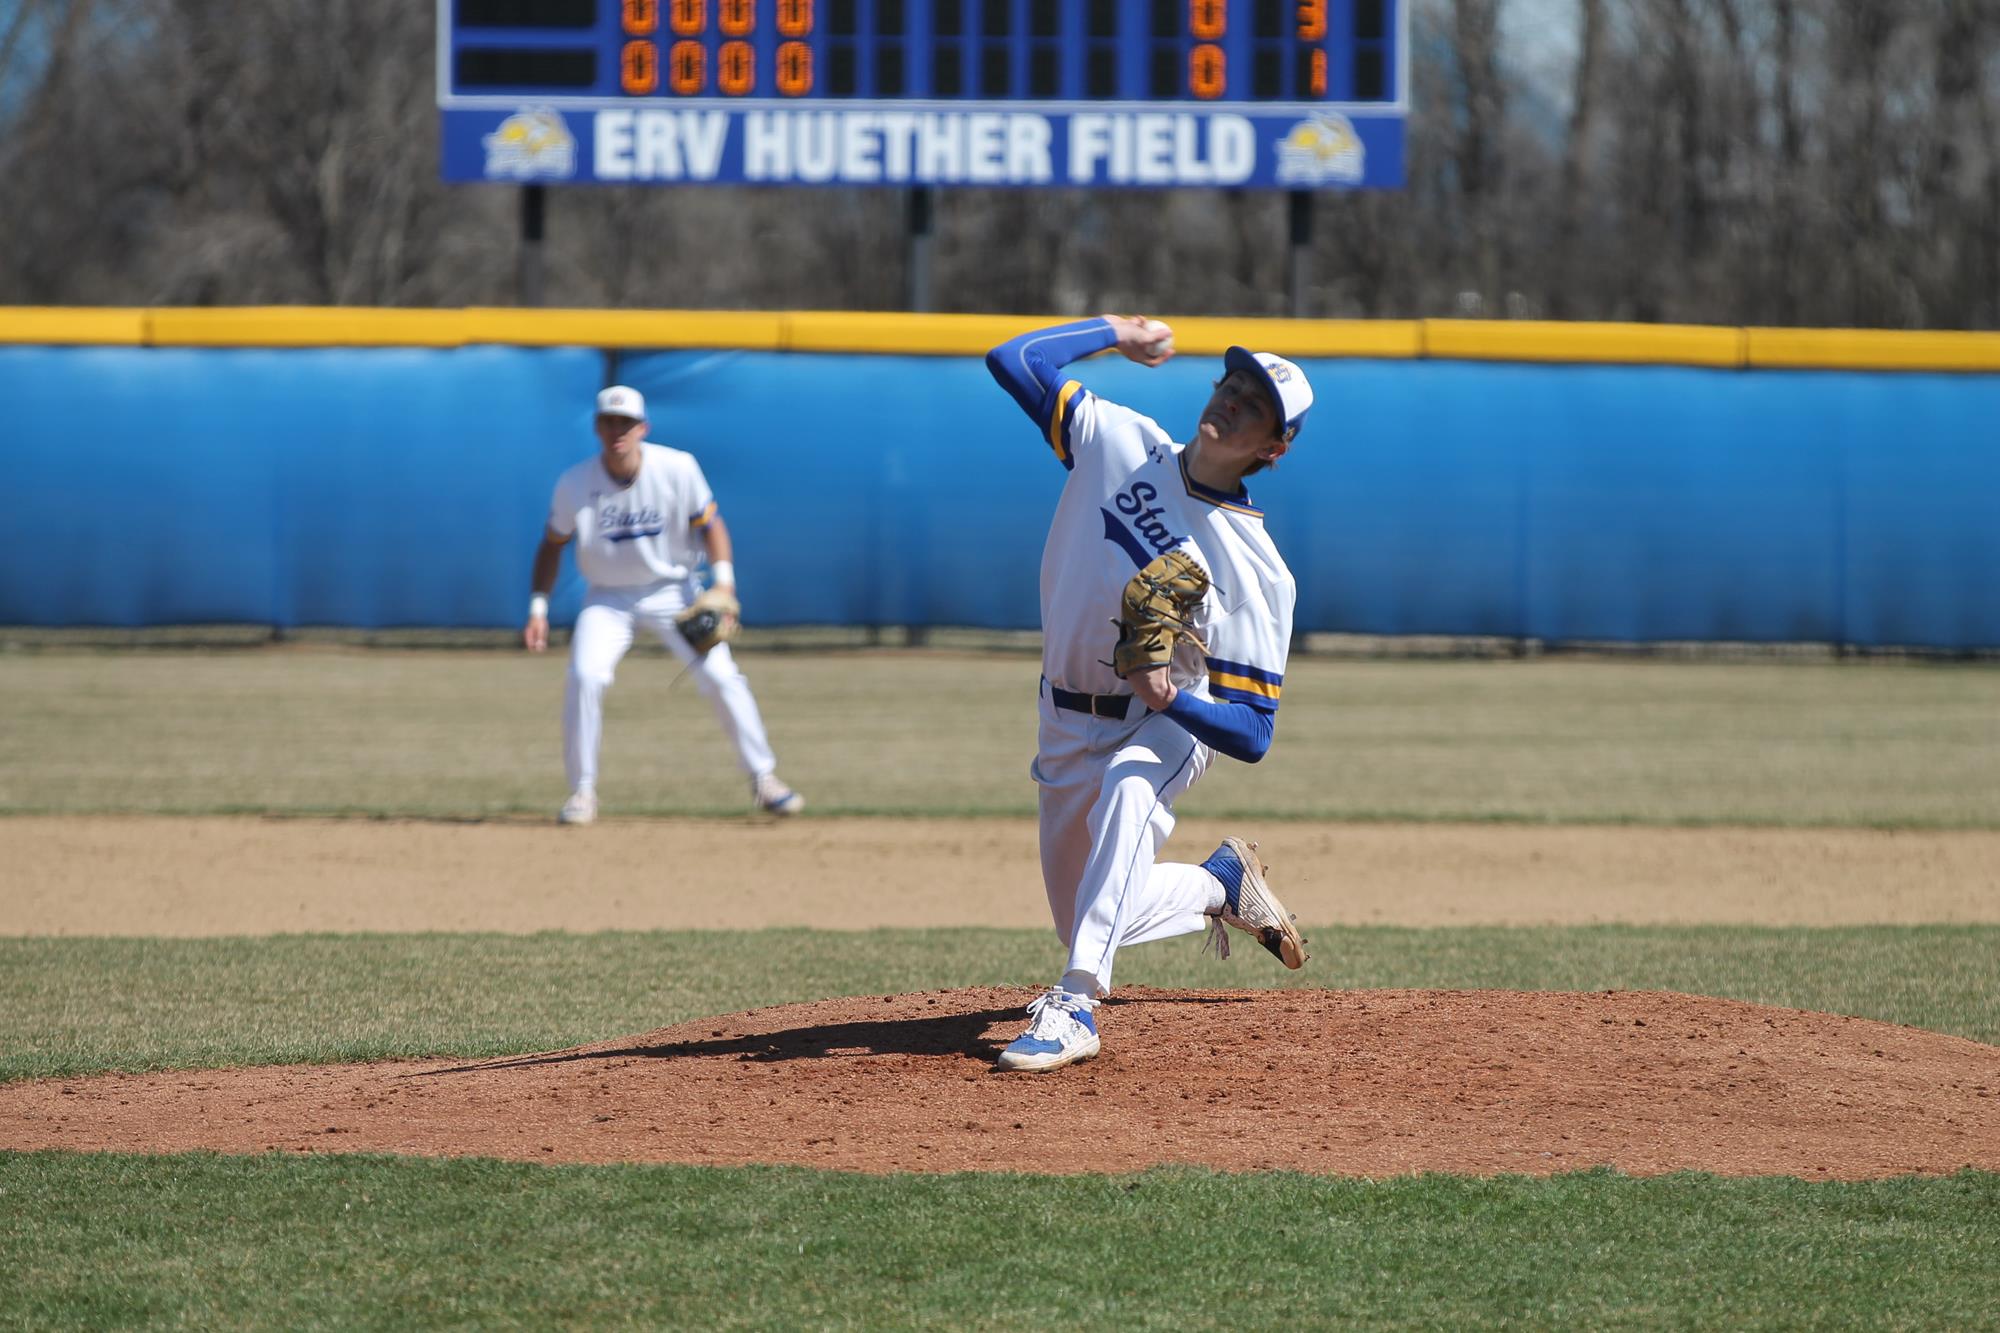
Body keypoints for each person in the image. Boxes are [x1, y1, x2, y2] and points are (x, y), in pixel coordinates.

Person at [983, 316, 1313, 1072]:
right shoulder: (1119, 440)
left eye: (1253, 405)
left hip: (1161, 722)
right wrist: (1116, 331)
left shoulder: (1259, 570)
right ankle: (1215, 882)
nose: (1231, 401)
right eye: (1230, 385)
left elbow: (1255, 730)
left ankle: (1075, 1005)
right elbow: (1013, 358)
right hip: (1063, 719)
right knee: (1088, 912)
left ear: (1273, 447)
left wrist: (1168, 699)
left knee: (1135, 785)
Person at [523, 384, 804, 824]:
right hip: (608, 597)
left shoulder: (677, 467)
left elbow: (711, 526)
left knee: (722, 677)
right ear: (597, 427)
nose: (618, 430)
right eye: (609, 421)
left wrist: (724, 585)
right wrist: (538, 607)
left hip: (673, 591)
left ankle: (765, 778)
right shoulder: (574, 483)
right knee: (585, 675)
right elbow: (552, 543)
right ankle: (582, 791)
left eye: (627, 422)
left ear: (643, 427)